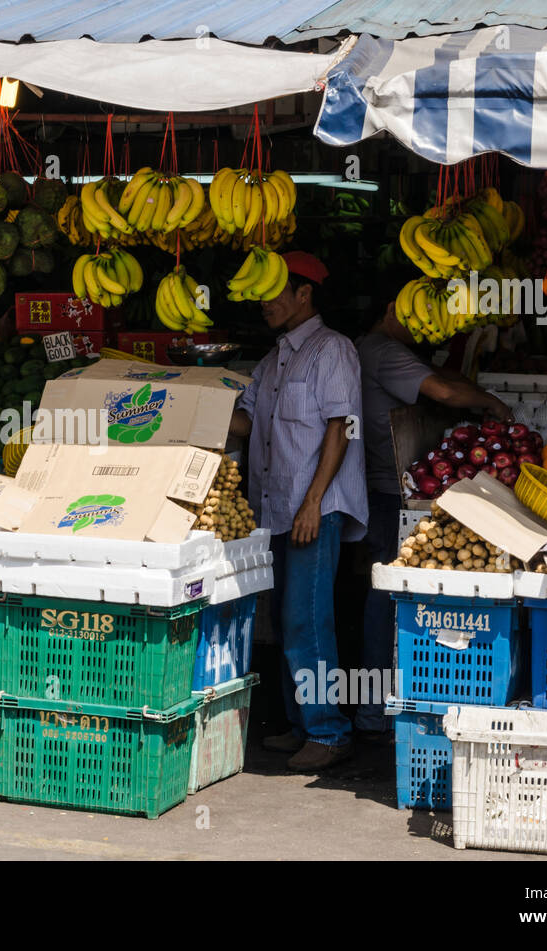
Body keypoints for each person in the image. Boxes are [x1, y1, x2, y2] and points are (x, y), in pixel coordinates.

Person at [229, 252, 368, 772]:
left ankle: (329, 732)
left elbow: (342, 426)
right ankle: (298, 723)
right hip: (276, 508)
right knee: (285, 620)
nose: (262, 303)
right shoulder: (273, 359)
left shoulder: (333, 350)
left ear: (304, 292)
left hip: (316, 508)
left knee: (307, 620)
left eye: (272, 291)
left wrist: (313, 502)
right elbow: (244, 423)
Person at [354, 299, 512, 735]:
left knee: (391, 590)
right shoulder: (383, 351)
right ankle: (372, 711)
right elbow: (442, 391)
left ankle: (389, 705)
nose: (425, 327)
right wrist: (491, 402)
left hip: (394, 486)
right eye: (416, 317)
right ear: (390, 312)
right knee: (388, 592)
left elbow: (444, 378)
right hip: (390, 491)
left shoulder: (383, 349)